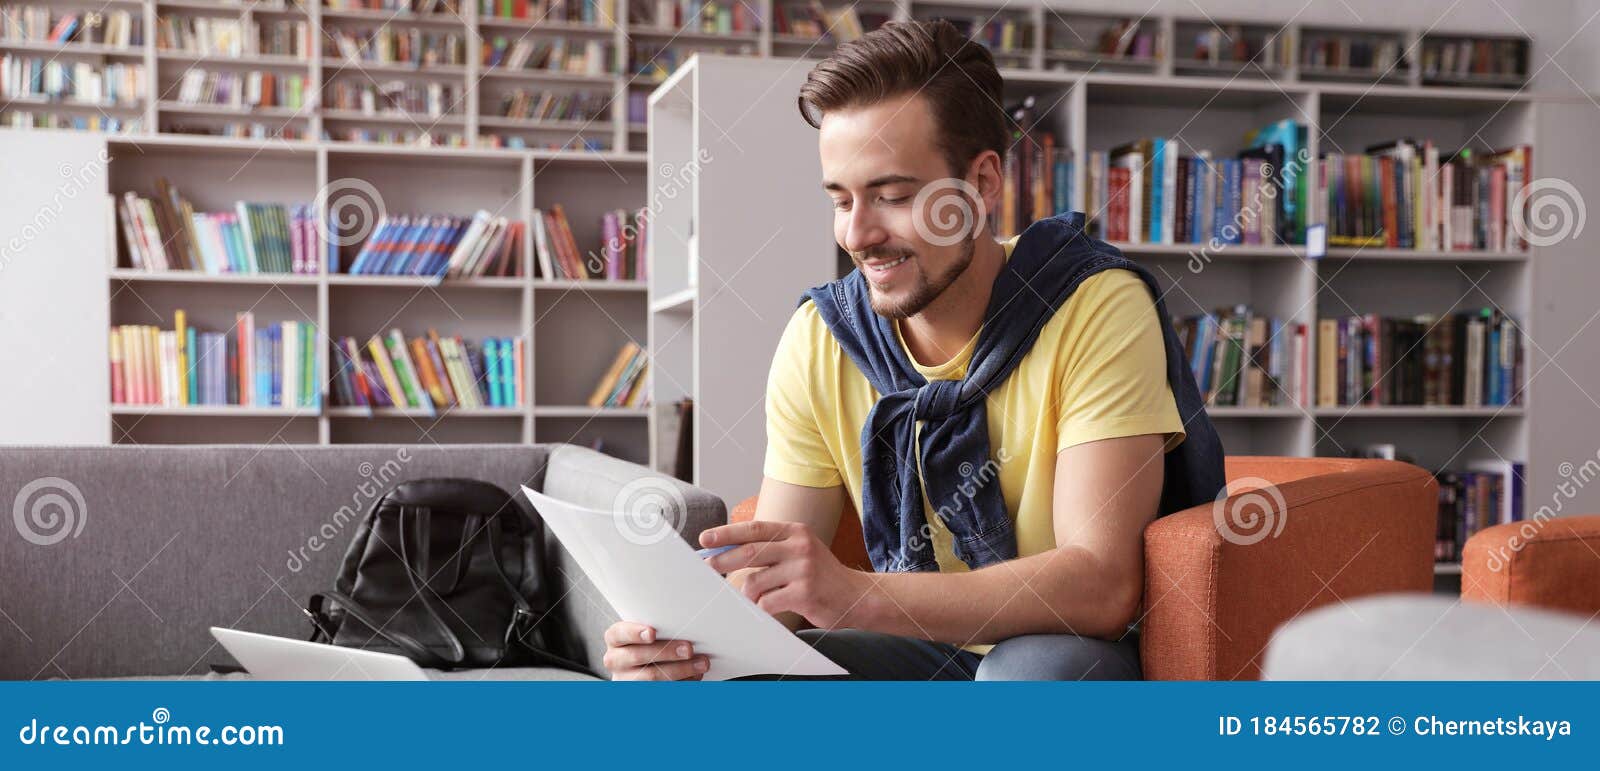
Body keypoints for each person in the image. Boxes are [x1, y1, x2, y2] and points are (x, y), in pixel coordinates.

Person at [602, 19, 1224, 681]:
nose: (858, 233)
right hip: (915, 643)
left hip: (1061, 644)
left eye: (892, 196)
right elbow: (773, 593)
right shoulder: (822, 338)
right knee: (740, 680)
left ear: (982, 184)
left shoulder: (1091, 304)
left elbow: (1100, 584)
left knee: (1032, 675)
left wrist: (856, 594)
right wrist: (681, 645)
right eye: (841, 200)